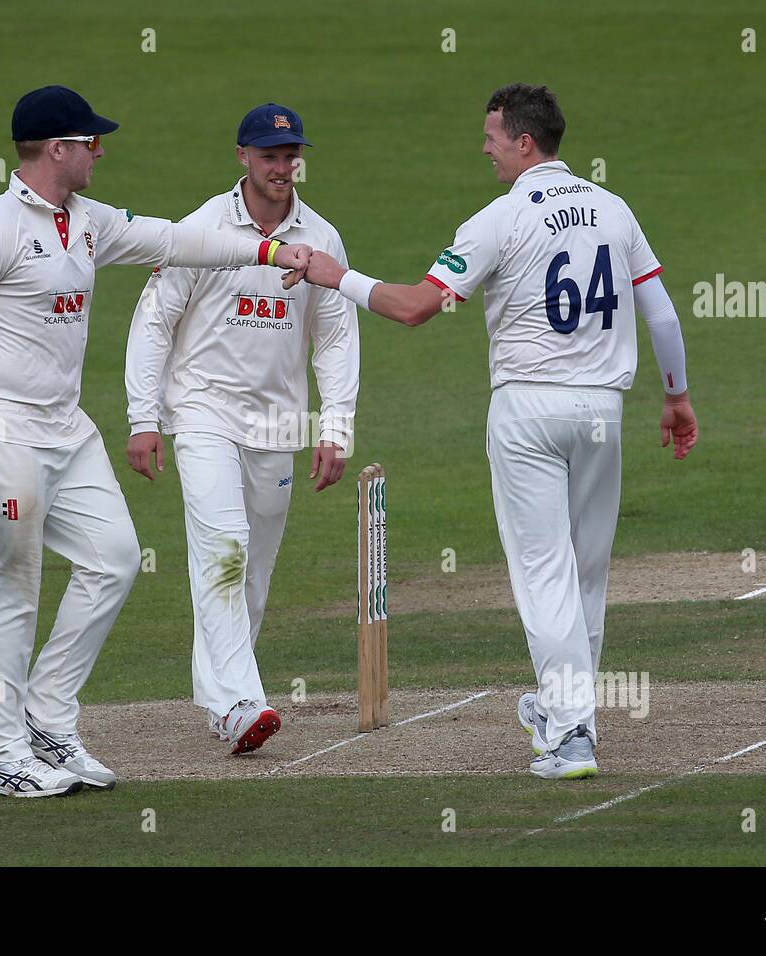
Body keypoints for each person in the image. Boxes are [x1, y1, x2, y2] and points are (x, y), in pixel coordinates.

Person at [0, 86, 312, 797]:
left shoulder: (87, 222)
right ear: (57, 149)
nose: (101, 151)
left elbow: (175, 240)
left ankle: (47, 720)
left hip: (66, 428)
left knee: (117, 560)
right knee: (10, 588)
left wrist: (267, 247)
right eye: (90, 142)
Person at [298, 83, 698, 780]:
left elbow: (418, 307)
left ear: (523, 142)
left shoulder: (500, 219)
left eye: (492, 138)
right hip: (603, 413)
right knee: (586, 573)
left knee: (545, 574)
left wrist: (341, 279)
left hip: (528, 415)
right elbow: (661, 316)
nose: (483, 149)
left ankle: (571, 732)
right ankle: (562, 710)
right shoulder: (613, 208)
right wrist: (677, 398)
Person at [124, 103, 359, 754]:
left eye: (290, 157)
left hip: (277, 422)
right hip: (203, 413)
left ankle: (223, 702)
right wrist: (145, 418)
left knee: (251, 570)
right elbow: (153, 324)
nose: (282, 168)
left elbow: (334, 339)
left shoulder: (323, 239)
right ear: (242, 158)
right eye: (269, 157)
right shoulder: (201, 231)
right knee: (222, 547)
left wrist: (334, 425)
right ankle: (238, 703)